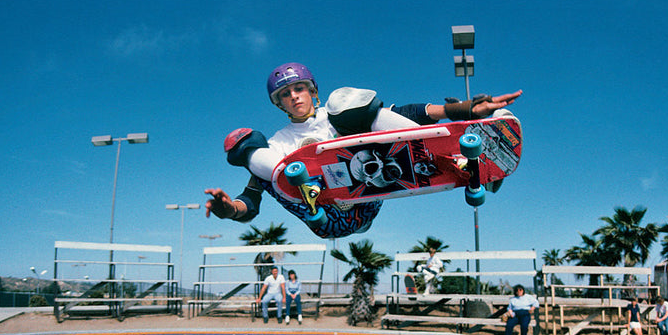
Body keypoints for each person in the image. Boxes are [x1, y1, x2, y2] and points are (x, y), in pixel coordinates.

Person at [205, 62, 522, 238]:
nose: (294, 97)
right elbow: (252, 199)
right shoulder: (278, 143)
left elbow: (407, 112)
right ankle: (307, 185)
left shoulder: (334, 114)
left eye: (300, 88)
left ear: (312, 91)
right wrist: (230, 210)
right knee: (251, 148)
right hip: (326, 217)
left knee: (348, 107)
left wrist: (466, 110)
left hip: (369, 195)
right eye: (285, 94)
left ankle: (456, 156)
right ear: (279, 103)